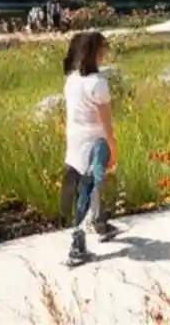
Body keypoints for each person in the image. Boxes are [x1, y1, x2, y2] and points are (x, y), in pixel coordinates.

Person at [59, 31, 121, 264]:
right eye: (103, 50)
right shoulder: (98, 84)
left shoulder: (72, 80)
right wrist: (112, 145)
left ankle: (100, 223)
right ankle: (77, 244)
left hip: (75, 139)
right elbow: (106, 122)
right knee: (87, 188)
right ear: (95, 52)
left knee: (88, 184)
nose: (105, 55)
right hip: (95, 142)